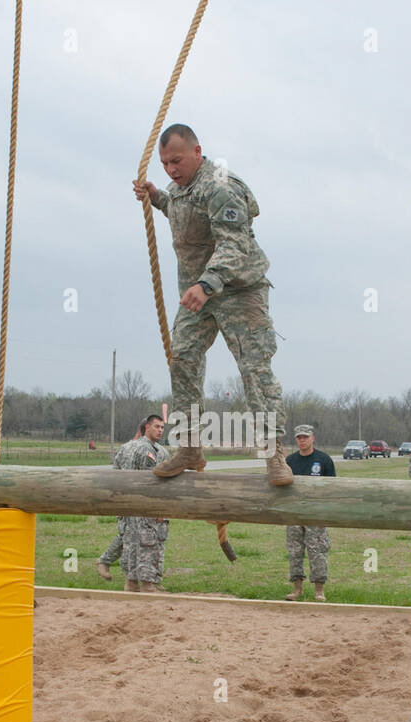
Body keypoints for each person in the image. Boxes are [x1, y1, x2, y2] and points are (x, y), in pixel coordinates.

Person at [131, 124, 293, 486]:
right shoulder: (179, 189)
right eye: (165, 163)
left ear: (197, 151)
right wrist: (157, 196)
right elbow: (183, 213)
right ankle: (189, 446)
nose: (171, 169)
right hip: (199, 294)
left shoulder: (221, 186)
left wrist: (207, 284)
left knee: (255, 370)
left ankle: (272, 453)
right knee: (183, 358)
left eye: (176, 160)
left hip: (238, 290)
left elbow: (233, 245)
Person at [284, 425, 335, 601]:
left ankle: (319, 590)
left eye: (305, 437)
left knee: (318, 550)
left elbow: (332, 487)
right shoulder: (290, 461)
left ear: (312, 438)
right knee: (295, 550)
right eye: (299, 437)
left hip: (316, 513)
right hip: (294, 513)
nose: (302, 440)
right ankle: (297, 589)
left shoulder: (323, 460)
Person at [121, 415, 171, 592]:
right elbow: (149, 482)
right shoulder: (141, 450)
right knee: (145, 545)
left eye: (162, 427)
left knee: (136, 544)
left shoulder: (159, 451)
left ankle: (134, 583)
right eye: (156, 426)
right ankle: (146, 584)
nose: (160, 430)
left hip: (134, 507)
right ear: (146, 427)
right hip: (142, 506)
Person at [95, 419, 147, 581]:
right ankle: (128, 575)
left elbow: (114, 473)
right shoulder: (138, 448)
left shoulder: (124, 448)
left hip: (126, 497)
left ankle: (105, 561)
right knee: (130, 535)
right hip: (132, 498)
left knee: (128, 533)